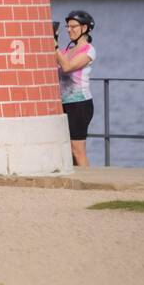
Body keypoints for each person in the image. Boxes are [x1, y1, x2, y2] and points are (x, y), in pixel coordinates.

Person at [55, 9, 96, 167]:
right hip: (64, 104)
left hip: (80, 104)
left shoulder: (89, 51)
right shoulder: (66, 50)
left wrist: (55, 47)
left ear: (84, 28)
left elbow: (67, 67)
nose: (69, 30)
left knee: (78, 150)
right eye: (67, 26)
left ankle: (88, 183)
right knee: (69, 151)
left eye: (73, 26)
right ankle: (77, 185)